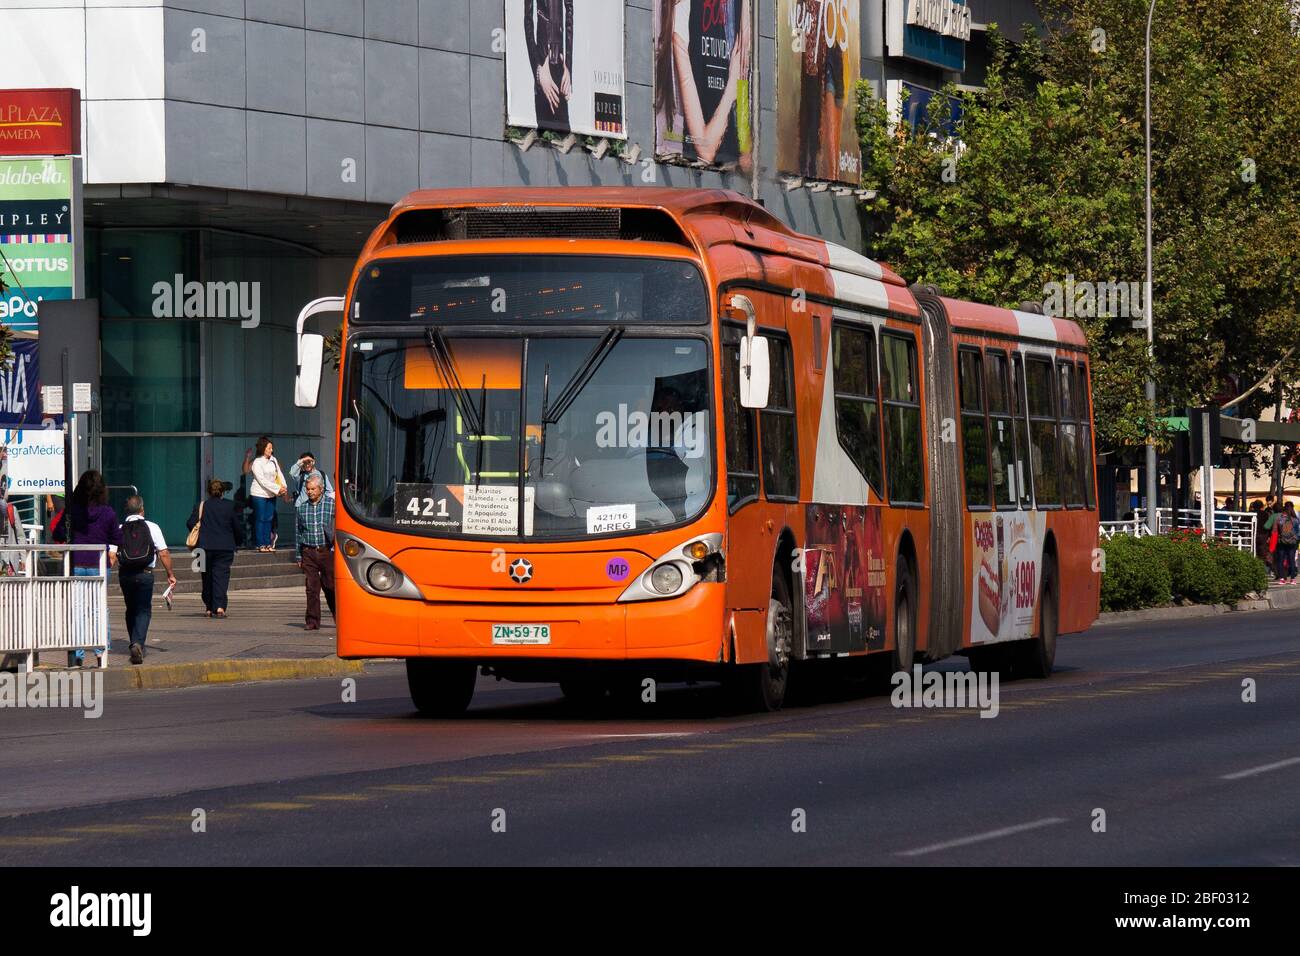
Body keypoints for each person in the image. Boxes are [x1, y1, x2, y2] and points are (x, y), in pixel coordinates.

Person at [54, 470, 120, 666]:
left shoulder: (72, 510)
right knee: (98, 609)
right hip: (99, 564)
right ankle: (100, 653)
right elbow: (117, 538)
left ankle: (78, 654)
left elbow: (58, 532)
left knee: (78, 609)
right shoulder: (108, 512)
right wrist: (111, 553)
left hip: (76, 563)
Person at [117, 495, 176, 664]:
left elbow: (112, 554)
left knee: (131, 609)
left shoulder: (120, 528)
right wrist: (170, 574)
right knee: (143, 609)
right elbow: (163, 552)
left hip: (126, 574)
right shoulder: (152, 527)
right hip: (145, 573)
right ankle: (138, 643)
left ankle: (134, 642)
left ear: (126, 511)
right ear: (142, 510)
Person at [187, 478, 243, 619]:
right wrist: (237, 541)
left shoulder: (201, 505)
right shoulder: (229, 506)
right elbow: (237, 527)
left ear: (209, 492)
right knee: (221, 577)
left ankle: (208, 607)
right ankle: (219, 607)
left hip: (203, 547)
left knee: (206, 576)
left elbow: (190, 523)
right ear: (222, 492)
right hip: (224, 547)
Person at [524, 0, 574, 134]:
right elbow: (528, 21)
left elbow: (569, 15)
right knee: (545, 135)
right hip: (543, 67)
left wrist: (568, 67)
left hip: (560, 70)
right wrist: (538, 70)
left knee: (564, 134)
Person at [295, 474, 336, 631]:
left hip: (326, 551)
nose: (310, 492)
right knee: (311, 588)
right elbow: (298, 533)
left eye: (313, 489)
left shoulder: (331, 505)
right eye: (308, 489)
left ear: (321, 489)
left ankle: (339, 616)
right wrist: (299, 555)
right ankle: (312, 621)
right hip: (309, 552)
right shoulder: (302, 508)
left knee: (330, 586)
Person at [248, 436, 289, 552]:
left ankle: (268, 543)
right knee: (260, 518)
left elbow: (279, 474)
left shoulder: (273, 460)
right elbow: (262, 480)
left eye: (271, 448)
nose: (271, 450)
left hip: (271, 494)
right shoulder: (257, 462)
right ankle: (260, 544)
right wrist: (277, 489)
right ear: (263, 448)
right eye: (269, 448)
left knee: (269, 518)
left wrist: (283, 487)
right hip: (259, 494)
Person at [1266, 500, 1299, 584]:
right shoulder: (1295, 519)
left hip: (1281, 542)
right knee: (1291, 560)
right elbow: (1297, 532)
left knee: (1280, 560)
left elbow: (1275, 531)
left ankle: (1282, 579)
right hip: (1292, 543)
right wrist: (1295, 539)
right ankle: (1292, 579)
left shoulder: (1280, 519)